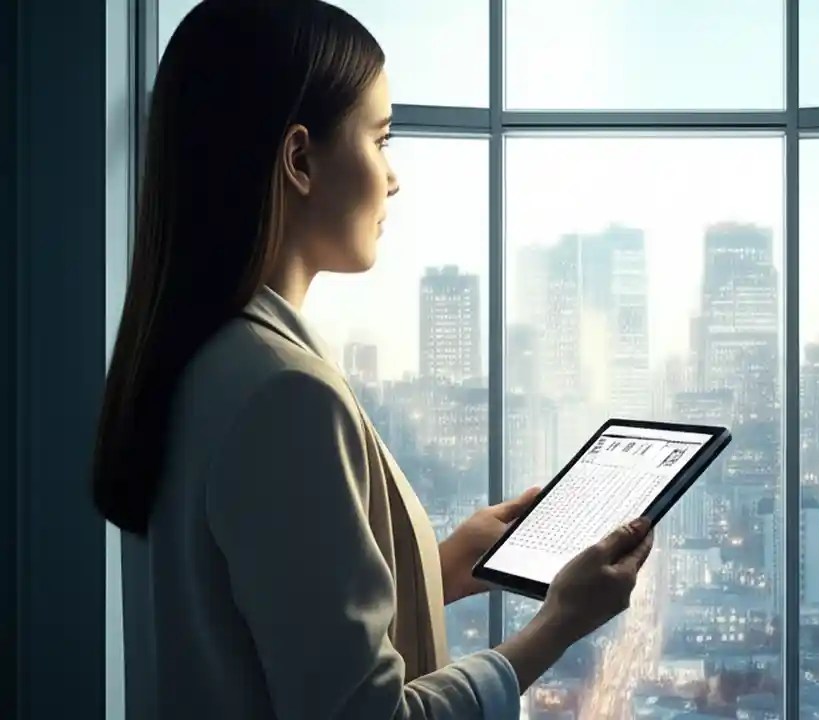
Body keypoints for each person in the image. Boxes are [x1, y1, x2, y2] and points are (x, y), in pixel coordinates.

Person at [90, 1, 654, 717]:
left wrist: (445, 564)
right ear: (300, 159)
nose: (393, 179)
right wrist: (559, 625)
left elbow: (261, 613)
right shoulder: (283, 394)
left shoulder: (198, 362)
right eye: (381, 140)